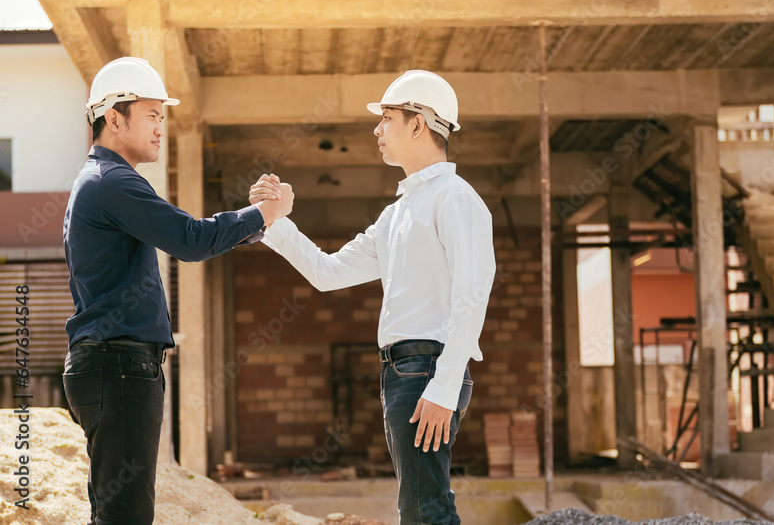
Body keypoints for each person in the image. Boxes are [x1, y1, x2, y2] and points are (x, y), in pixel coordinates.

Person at [249, 70, 495, 525]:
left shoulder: (455, 199)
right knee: (420, 505)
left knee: (426, 508)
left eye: (387, 118)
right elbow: (329, 272)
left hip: (427, 372)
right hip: (402, 372)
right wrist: (275, 221)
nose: (377, 130)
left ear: (419, 123)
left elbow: (472, 295)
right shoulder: (397, 213)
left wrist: (442, 387)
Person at [62, 57, 293, 525]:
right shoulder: (113, 183)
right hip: (120, 368)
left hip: (114, 366)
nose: (159, 127)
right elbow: (191, 239)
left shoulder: (103, 181)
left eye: (162, 117)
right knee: (125, 517)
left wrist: (250, 224)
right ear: (114, 118)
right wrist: (265, 215)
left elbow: (192, 235)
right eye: (151, 115)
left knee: (116, 514)